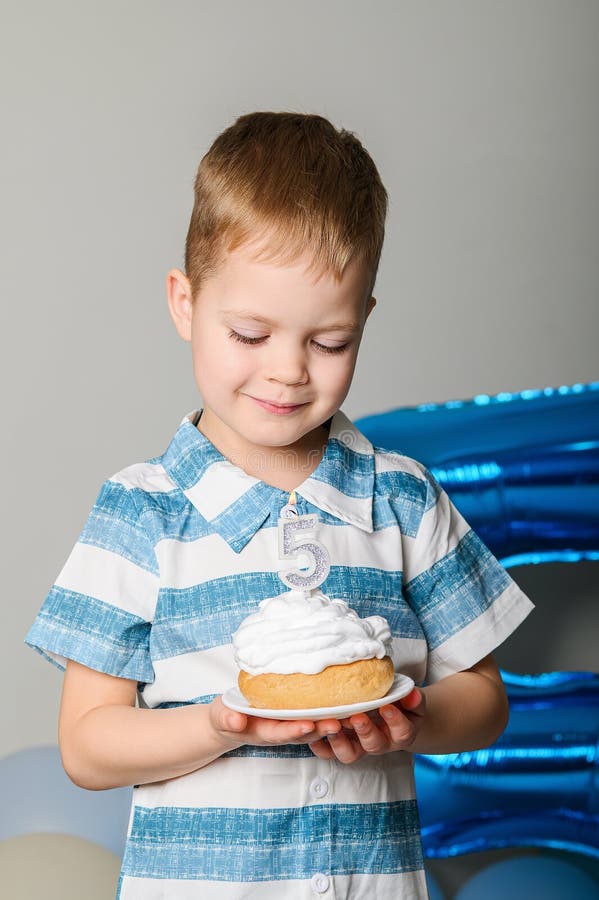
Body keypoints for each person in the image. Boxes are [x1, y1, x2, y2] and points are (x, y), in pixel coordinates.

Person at [26, 111, 534, 899]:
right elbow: (87, 746)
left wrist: (413, 715)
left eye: (328, 342)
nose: (288, 372)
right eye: (251, 333)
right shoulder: (140, 513)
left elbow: (484, 699)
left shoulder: (402, 498)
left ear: (363, 319)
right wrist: (216, 724)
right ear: (185, 304)